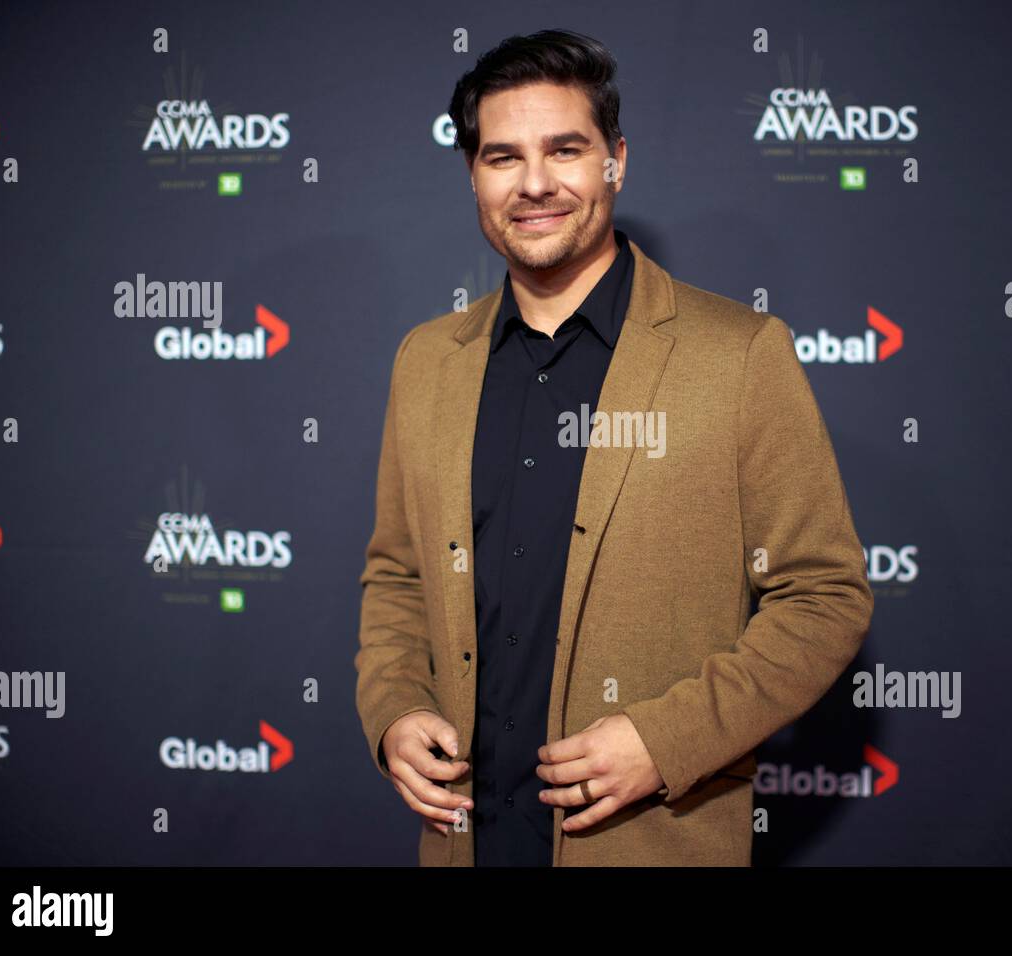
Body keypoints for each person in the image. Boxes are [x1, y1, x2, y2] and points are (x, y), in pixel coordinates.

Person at [355, 28, 873, 867]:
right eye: (502, 157)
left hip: (649, 842)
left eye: (565, 149)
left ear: (615, 162)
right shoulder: (426, 362)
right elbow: (397, 575)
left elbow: (823, 597)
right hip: (464, 845)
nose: (535, 184)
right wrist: (392, 711)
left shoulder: (739, 354)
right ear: (472, 175)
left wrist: (665, 741)